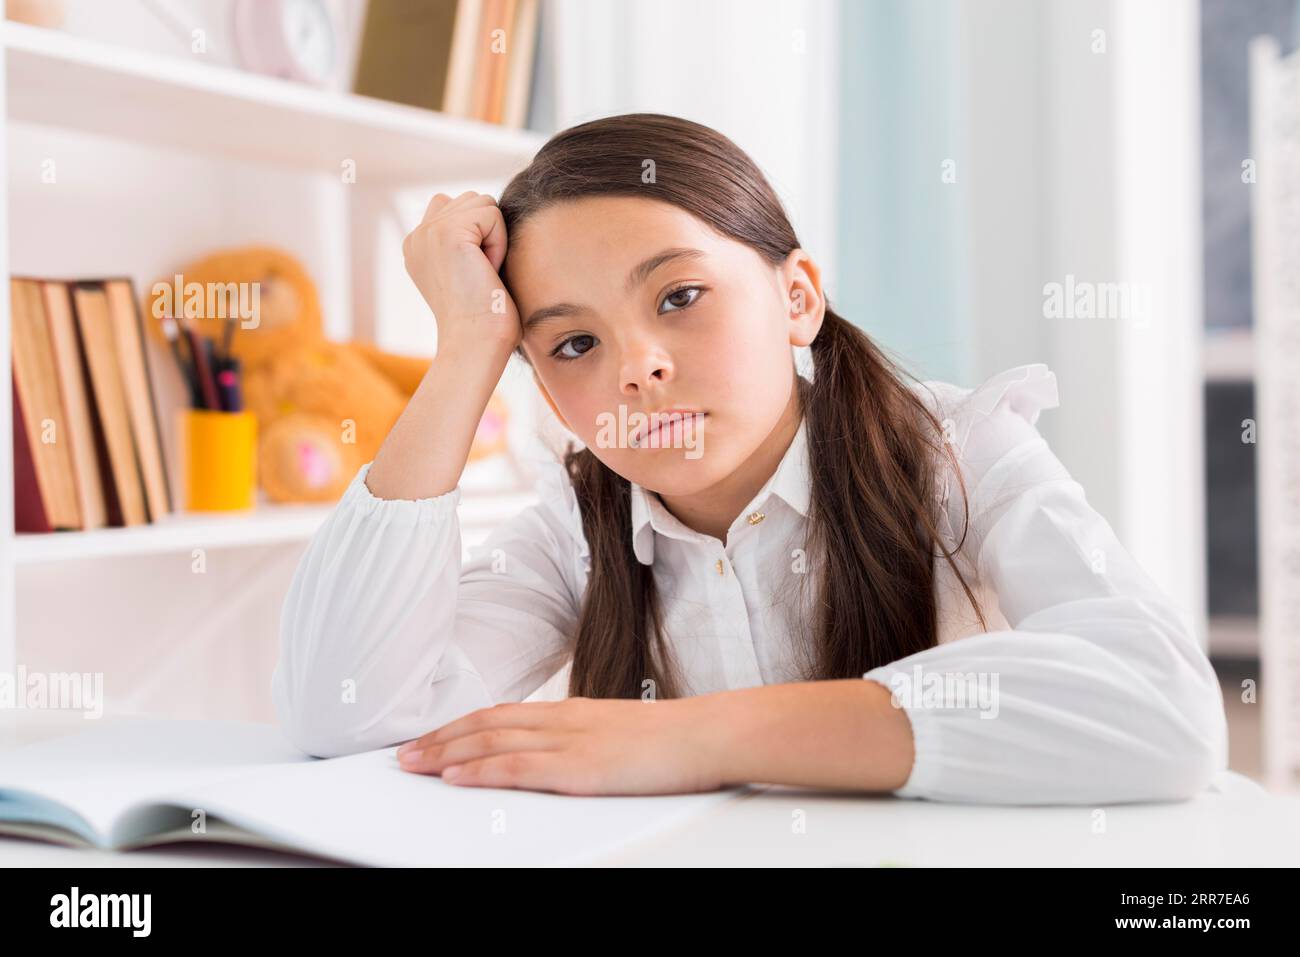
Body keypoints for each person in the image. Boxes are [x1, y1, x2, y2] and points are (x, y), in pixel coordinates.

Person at [272, 113, 1227, 804]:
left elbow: (1165, 704)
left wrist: (692, 738)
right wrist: (464, 353)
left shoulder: (954, 452)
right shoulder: (576, 528)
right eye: (571, 345)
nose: (637, 368)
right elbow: (348, 714)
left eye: (679, 296)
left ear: (798, 296)